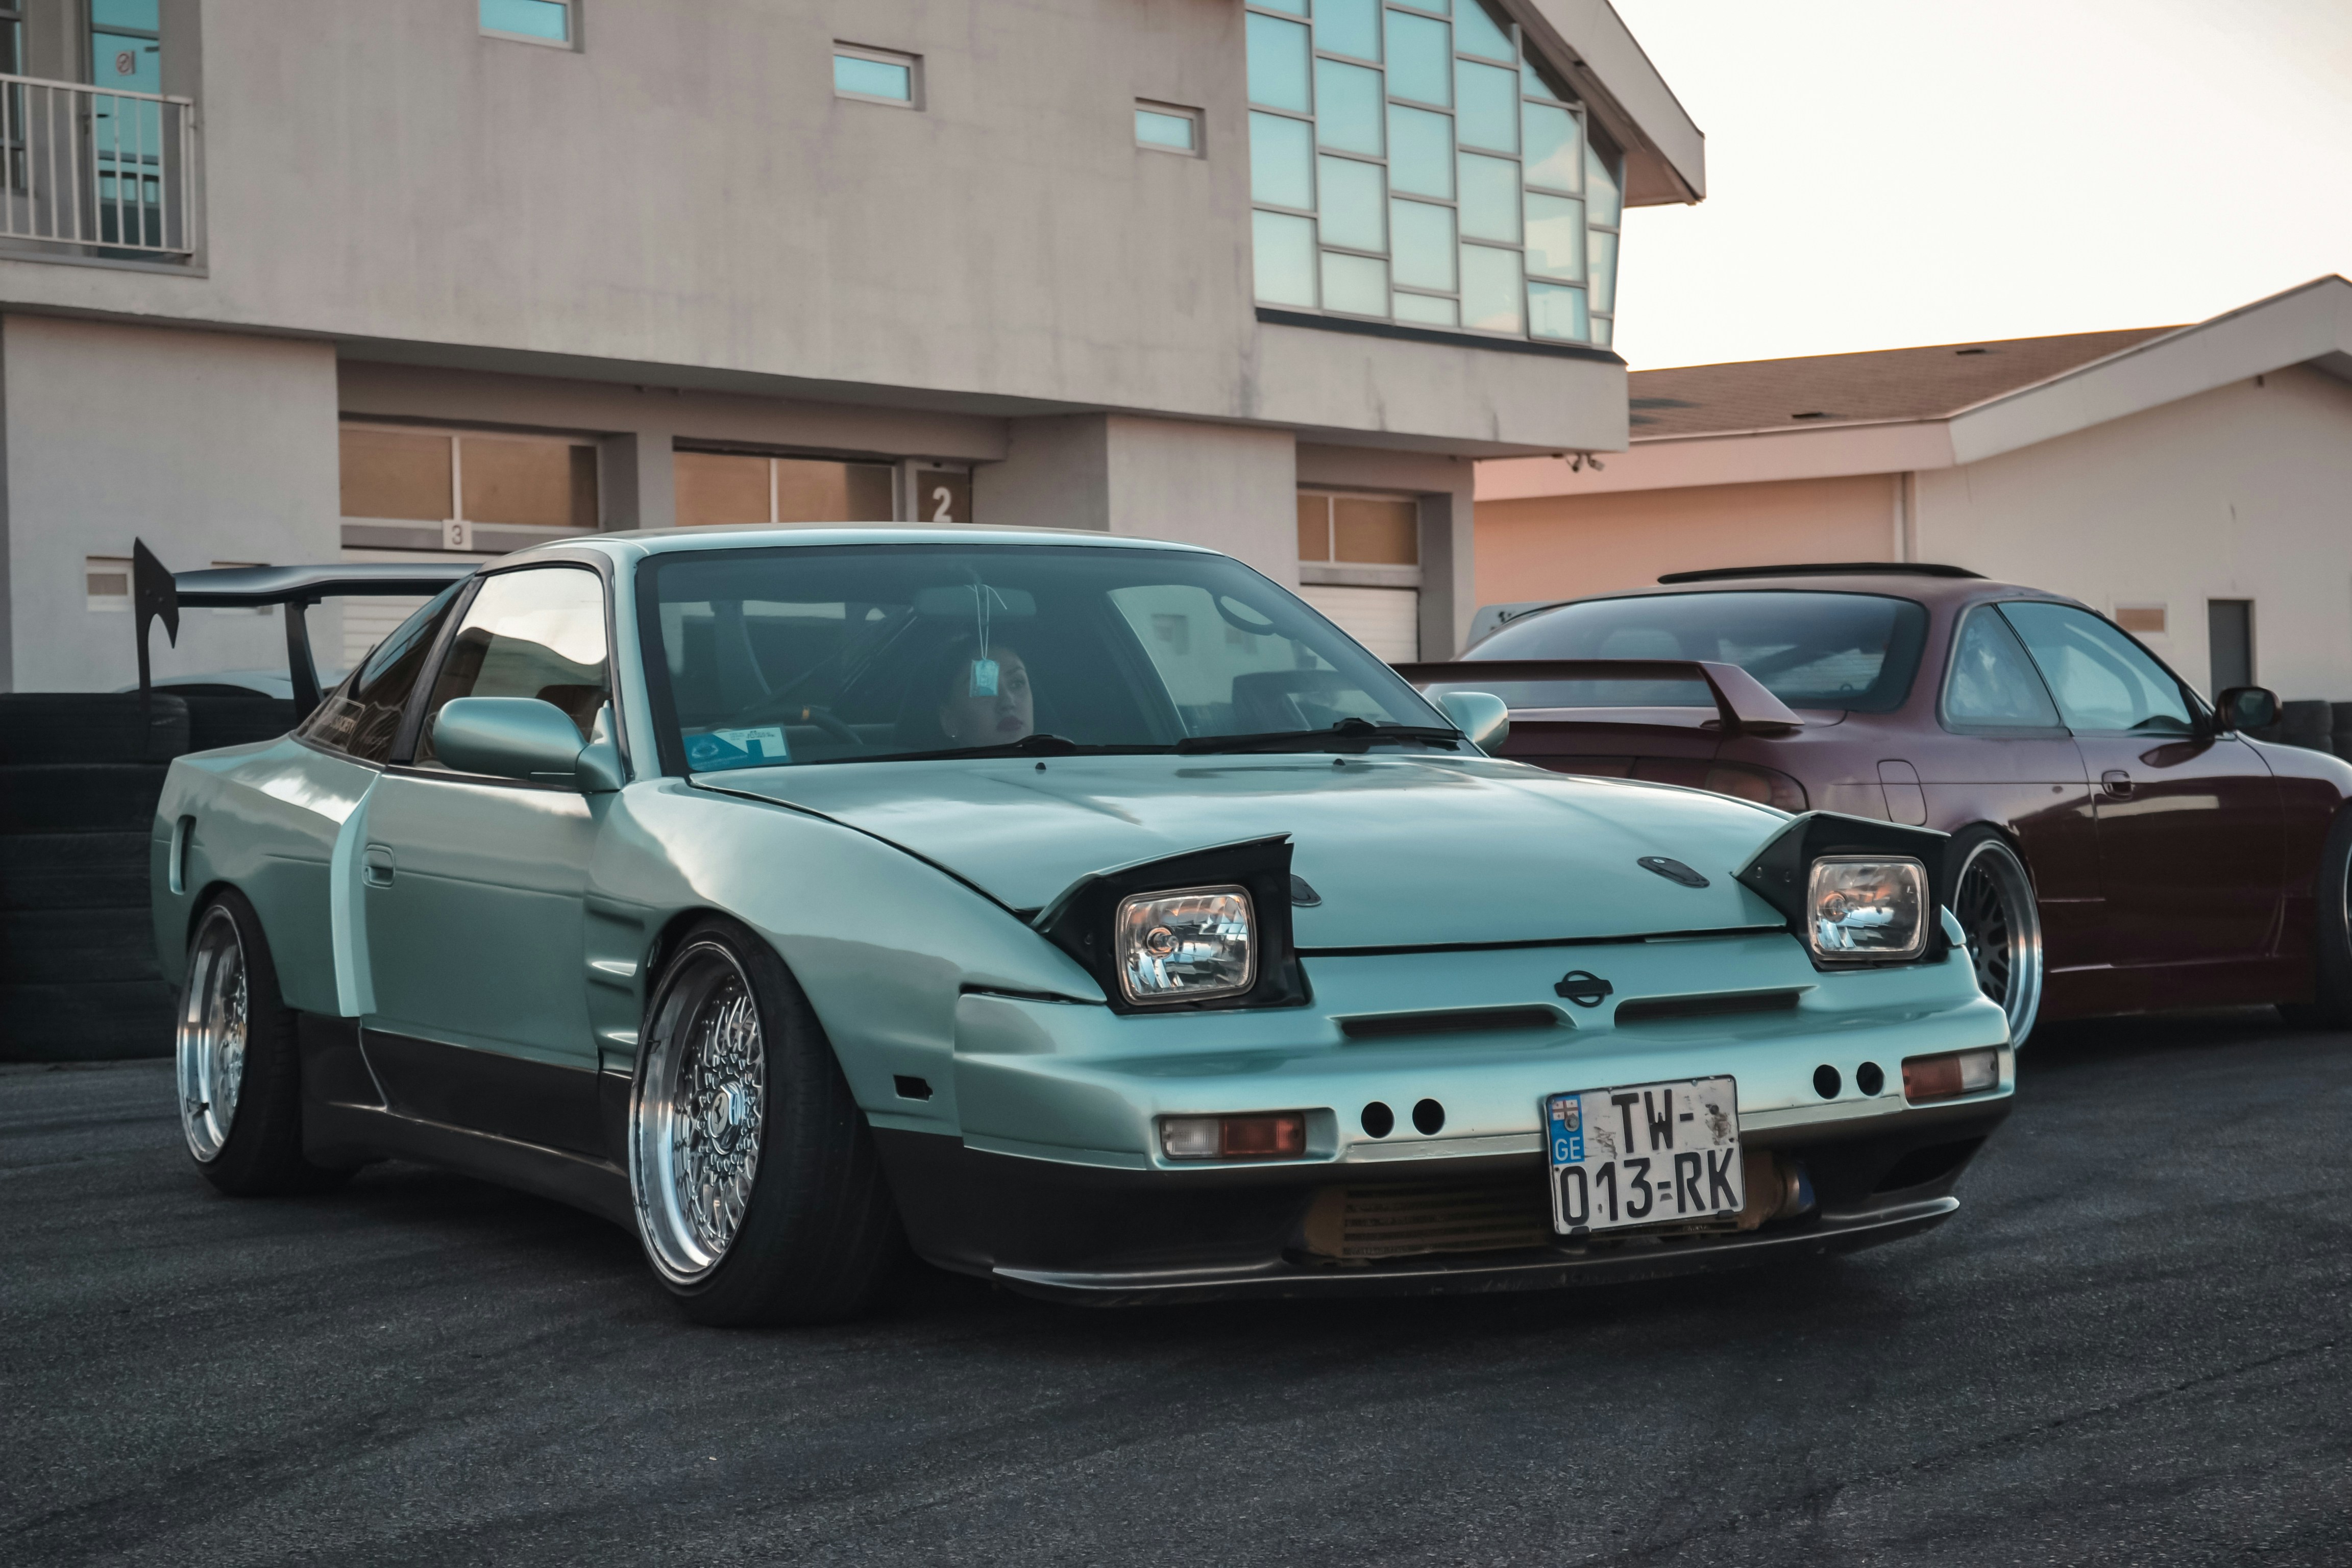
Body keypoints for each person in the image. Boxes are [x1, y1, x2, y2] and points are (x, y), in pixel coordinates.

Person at [933, 637, 1034, 746]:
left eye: (1017, 684)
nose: (1008, 702)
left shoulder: (1053, 759)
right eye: (984, 689)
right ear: (949, 721)